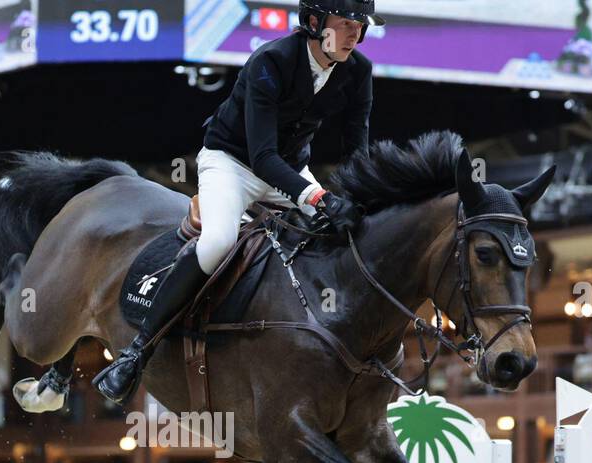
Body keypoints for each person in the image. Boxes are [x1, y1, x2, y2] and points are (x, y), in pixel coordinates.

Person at [94, 2, 382, 404]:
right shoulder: (271, 61)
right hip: (233, 164)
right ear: (314, 23)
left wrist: (361, 198)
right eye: (346, 23)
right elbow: (262, 158)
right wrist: (318, 196)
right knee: (217, 242)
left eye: (361, 25)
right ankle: (136, 351)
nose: (355, 34)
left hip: (292, 168)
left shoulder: (359, 71)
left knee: (347, 234)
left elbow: (358, 150)